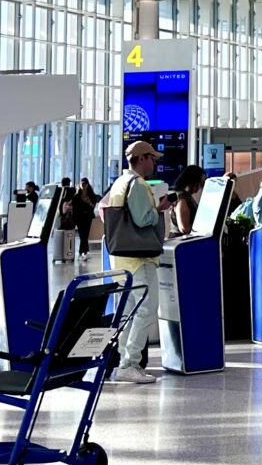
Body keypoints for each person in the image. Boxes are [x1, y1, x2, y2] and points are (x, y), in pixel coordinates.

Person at [99, 141, 165, 385]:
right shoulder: (137, 185)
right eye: (152, 158)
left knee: (127, 310)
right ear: (141, 159)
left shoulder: (119, 183)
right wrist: (160, 207)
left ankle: (122, 362)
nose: (154, 163)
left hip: (122, 257)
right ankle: (130, 363)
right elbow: (143, 218)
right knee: (147, 307)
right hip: (140, 258)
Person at [168, 166, 206, 237]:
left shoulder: (184, 196)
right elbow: (184, 228)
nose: (200, 187)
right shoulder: (182, 199)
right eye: (199, 183)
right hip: (181, 241)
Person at [72, 177, 99, 266]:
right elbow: (74, 209)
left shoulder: (91, 195)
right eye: (82, 184)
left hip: (88, 216)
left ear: (88, 185)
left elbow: (92, 207)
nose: (83, 186)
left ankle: (82, 252)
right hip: (79, 217)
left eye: (85, 184)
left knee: (85, 234)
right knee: (82, 234)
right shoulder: (76, 196)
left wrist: (88, 202)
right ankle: (83, 252)